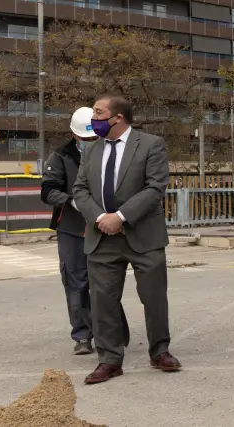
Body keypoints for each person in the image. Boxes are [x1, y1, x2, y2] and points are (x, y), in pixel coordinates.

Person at [72, 94, 180, 384]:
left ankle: (160, 351)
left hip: (143, 236)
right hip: (101, 238)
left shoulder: (150, 144)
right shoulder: (90, 151)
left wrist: (119, 217)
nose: (92, 119)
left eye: (97, 113)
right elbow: (80, 190)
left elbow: (155, 188)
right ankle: (109, 360)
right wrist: (100, 219)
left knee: (154, 298)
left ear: (117, 118)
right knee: (103, 301)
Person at [41, 107, 127, 355]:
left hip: (103, 228)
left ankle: (110, 332)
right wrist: (72, 201)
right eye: (85, 140)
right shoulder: (60, 157)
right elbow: (47, 191)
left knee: (104, 283)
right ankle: (82, 335)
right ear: (74, 135)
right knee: (76, 283)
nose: (90, 143)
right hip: (72, 229)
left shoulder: (111, 151)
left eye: (93, 139)